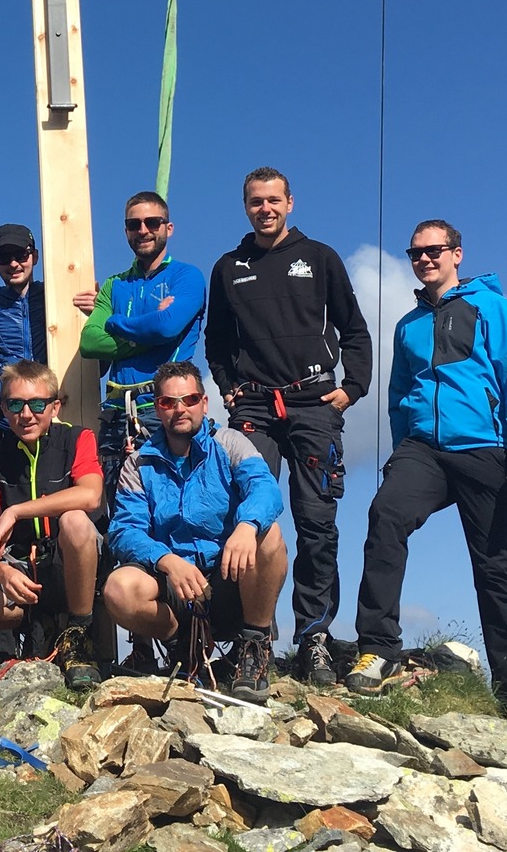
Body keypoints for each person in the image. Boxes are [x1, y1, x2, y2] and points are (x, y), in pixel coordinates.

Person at [347, 221, 507, 725]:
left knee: (494, 567)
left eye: (434, 251)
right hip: (424, 451)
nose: (425, 260)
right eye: (416, 253)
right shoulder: (408, 325)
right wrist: (400, 452)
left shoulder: (491, 308)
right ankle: (379, 648)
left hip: (486, 448)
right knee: (386, 515)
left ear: (457, 254)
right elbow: (397, 395)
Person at [205, 166, 372, 688]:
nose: (265, 209)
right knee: (250, 518)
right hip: (253, 407)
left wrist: (353, 387)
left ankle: (314, 638)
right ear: (245, 206)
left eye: (274, 200)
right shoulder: (228, 267)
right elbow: (216, 341)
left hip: (314, 403)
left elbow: (356, 329)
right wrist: (229, 388)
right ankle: (252, 637)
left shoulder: (319, 257)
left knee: (317, 521)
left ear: (290, 202)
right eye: (256, 201)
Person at [72, 189, 207, 673]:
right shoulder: (115, 283)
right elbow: (90, 341)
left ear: (168, 228)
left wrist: (118, 325)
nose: (143, 231)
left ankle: (190, 633)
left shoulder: (188, 276)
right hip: (117, 415)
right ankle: (140, 646)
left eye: (153, 222)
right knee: (120, 525)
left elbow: (172, 324)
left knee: (180, 518)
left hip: (166, 409)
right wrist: (143, 327)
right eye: (134, 224)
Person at [104, 360, 288, 704]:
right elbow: (124, 530)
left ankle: (254, 645)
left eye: (189, 400)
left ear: (204, 403)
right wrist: (166, 560)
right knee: (119, 588)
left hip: (229, 576)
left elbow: (266, 489)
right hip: (176, 585)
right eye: (168, 402)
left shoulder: (231, 443)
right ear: (157, 408)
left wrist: (246, 526)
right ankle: (184, 648)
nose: (179, 409)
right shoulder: (139, 463)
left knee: (270, 534)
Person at [0, 360, 103, 689]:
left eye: (37, 404)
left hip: (68, 567)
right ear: (4, 408)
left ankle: (79, 639)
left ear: (54, 406)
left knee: (76, 522)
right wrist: (1, 573)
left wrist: (17, 511)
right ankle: (36, 627)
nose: (26, 414)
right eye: (15, 404)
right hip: (21, 572)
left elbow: (91, 495)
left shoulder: (77, 439)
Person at [0, 223, 46, 378]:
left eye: (21, 255)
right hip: (6, 399)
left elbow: (96, 365)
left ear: (35, 256)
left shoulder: (57, 300)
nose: (14, 264)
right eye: (4, 258)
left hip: (53, 397)